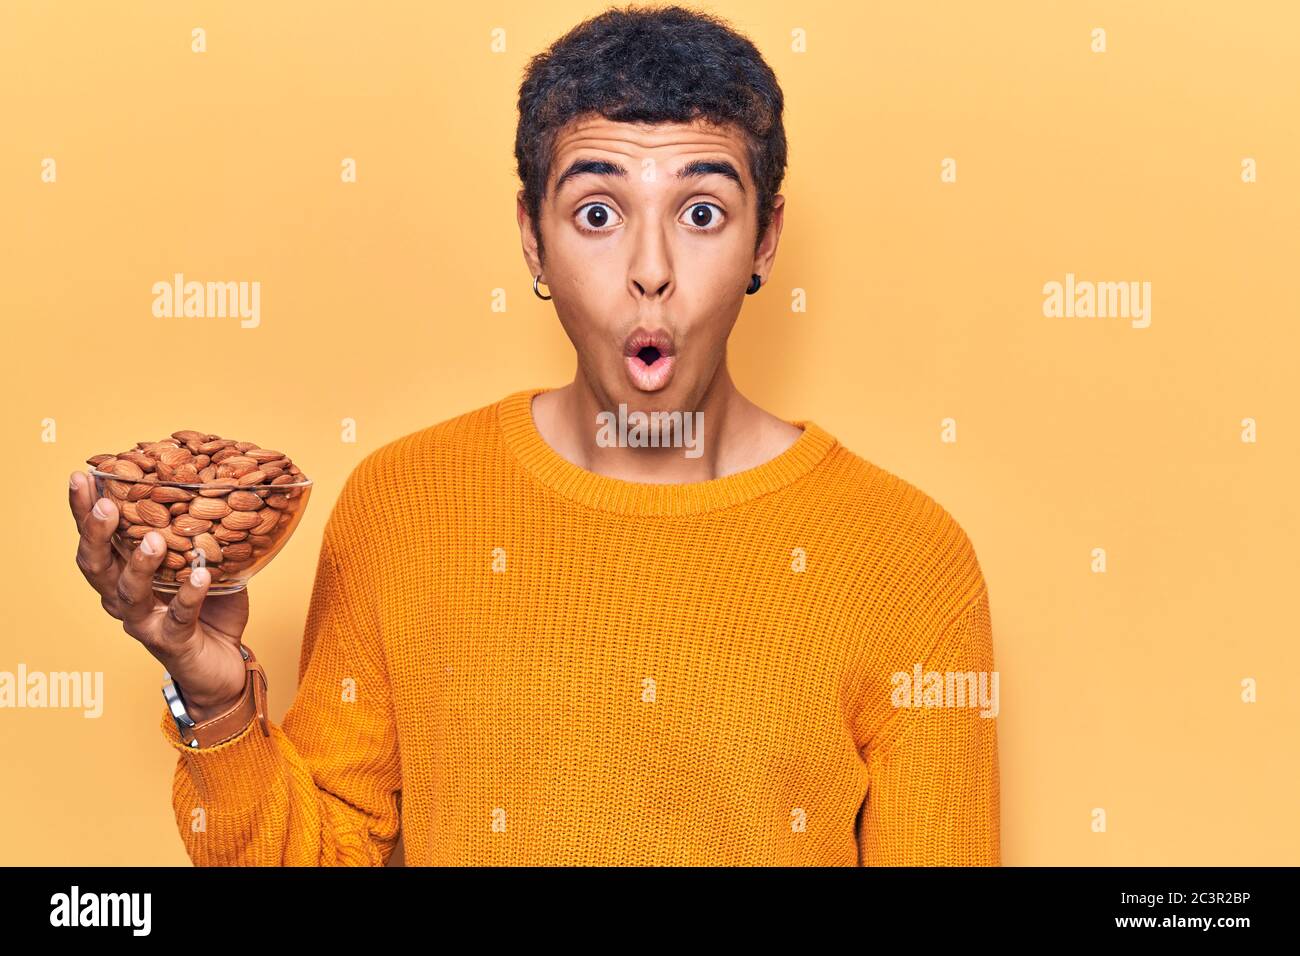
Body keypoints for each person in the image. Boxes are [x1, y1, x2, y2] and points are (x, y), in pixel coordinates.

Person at [67, 3, 999, 866]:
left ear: (765, 241)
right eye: (597, 214)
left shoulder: (908, 560)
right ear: (532, 238)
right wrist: (219, 698)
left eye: (702, 213)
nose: (651, 271)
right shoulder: (404, 507)